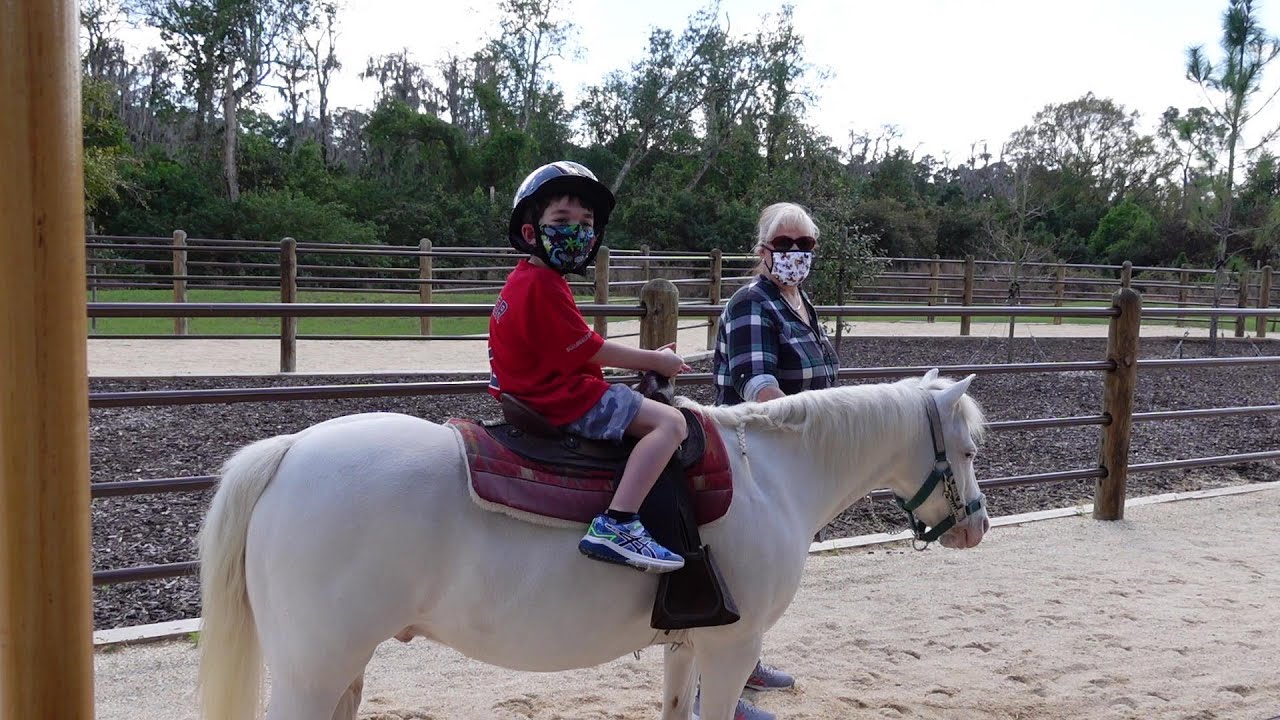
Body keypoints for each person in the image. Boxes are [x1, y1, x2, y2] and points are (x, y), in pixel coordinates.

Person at [487, 160, 692, 574]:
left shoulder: (526, 278)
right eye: (563, 220)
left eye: (586, 222)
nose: (577, 231)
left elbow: (573, 350)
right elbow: (591, 351)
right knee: (671, 424)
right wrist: (657, 360)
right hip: (560, 398)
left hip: (540, 389)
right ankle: (618, 523)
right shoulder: (543, 286)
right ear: (531, 232)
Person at [703, 201, 840, 717]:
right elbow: (757, 384)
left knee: (763, 576)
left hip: (789, 459)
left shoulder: (802, 302)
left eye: (804, 245)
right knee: (737, 571)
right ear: (762, 249)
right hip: (748, 458)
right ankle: (713, 692)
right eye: (783, 244)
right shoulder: (750, 303)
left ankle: (745, 660)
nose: (794, 254)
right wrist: (811, 423)